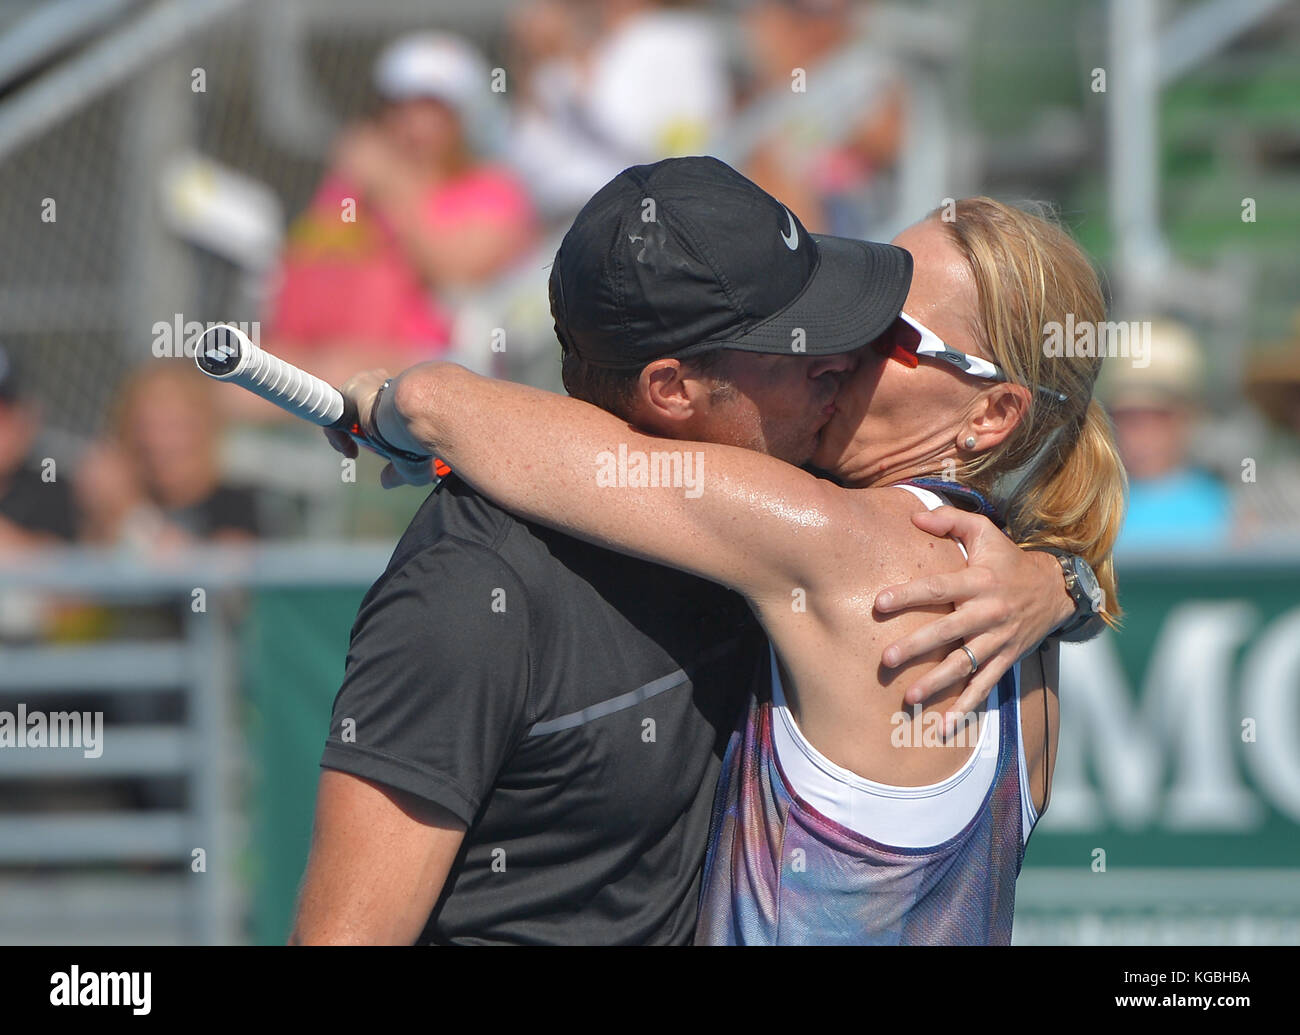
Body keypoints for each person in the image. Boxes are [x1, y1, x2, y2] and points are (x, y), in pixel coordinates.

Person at [295, 159, 1095, 945]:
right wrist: (1068, 580)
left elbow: (443, 404)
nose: (842, 349)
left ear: (994, 414)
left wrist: (396, 399)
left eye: (890, 332)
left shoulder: (833, 541)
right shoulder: (1019, 590)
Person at [260, 33, 538, 402]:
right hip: (330, 346)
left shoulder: (494, 189)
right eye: (398, 107)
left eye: (431, 108)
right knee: (244, 373)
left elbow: (456, 270)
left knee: (333, 373)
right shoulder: (355, 187)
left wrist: (391, 187)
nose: (412, 123)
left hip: (436, 358)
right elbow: (309, 264)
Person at [1099, 319, 1231, 554]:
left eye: (1159, 417)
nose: (1143, 434)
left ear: (1187, 418)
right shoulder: (1088, 510)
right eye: (1129, 418)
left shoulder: (1227, 511)